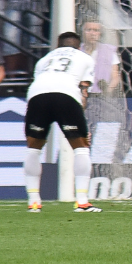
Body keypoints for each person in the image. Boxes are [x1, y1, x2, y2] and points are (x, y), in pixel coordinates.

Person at [22, 32, 100, 213]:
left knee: (33, 149)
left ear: (57, 46)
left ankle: (34, 202)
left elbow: (39, 82)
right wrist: (81, 124)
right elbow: (83, 90)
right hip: (66, 95)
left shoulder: (44, 59)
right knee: (81, 148)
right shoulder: (84, 58)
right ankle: (82, 201)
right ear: (78, 46)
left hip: (37, 95)